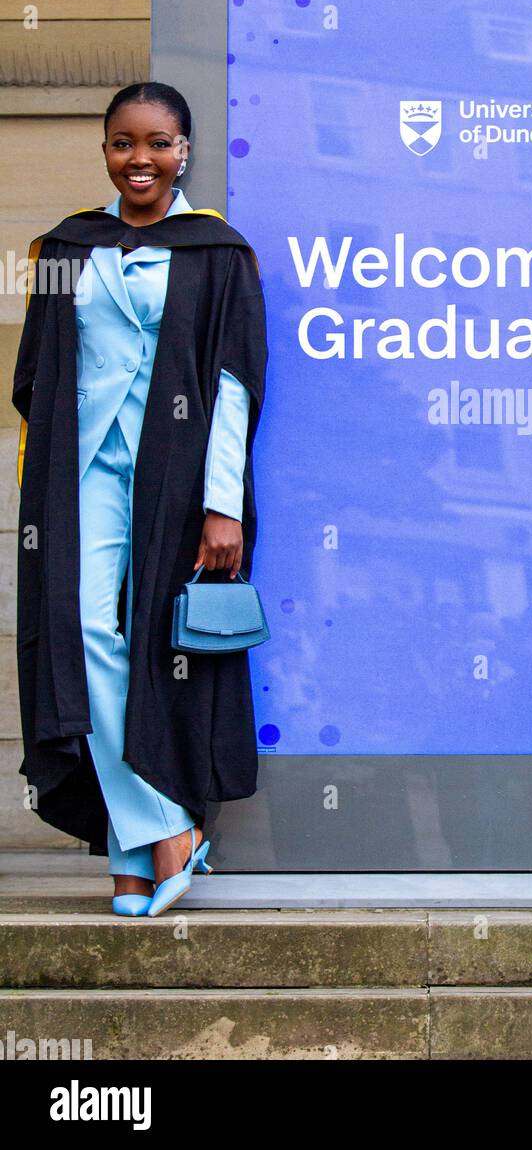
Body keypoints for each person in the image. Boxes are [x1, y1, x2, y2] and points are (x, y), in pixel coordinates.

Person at [14, 82, 268, 917]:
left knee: (162, 649)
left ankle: (131, 855)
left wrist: (221, 503)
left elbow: (233, 384)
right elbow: (36, 374)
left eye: (158, 142)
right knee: (81, 633)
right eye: (123, 143)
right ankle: (162, 828)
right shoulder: (68, 246)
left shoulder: (216, 252)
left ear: (183, 151)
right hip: (81, 473)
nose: (140, 159)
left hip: (175, 476)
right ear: (105, 151)